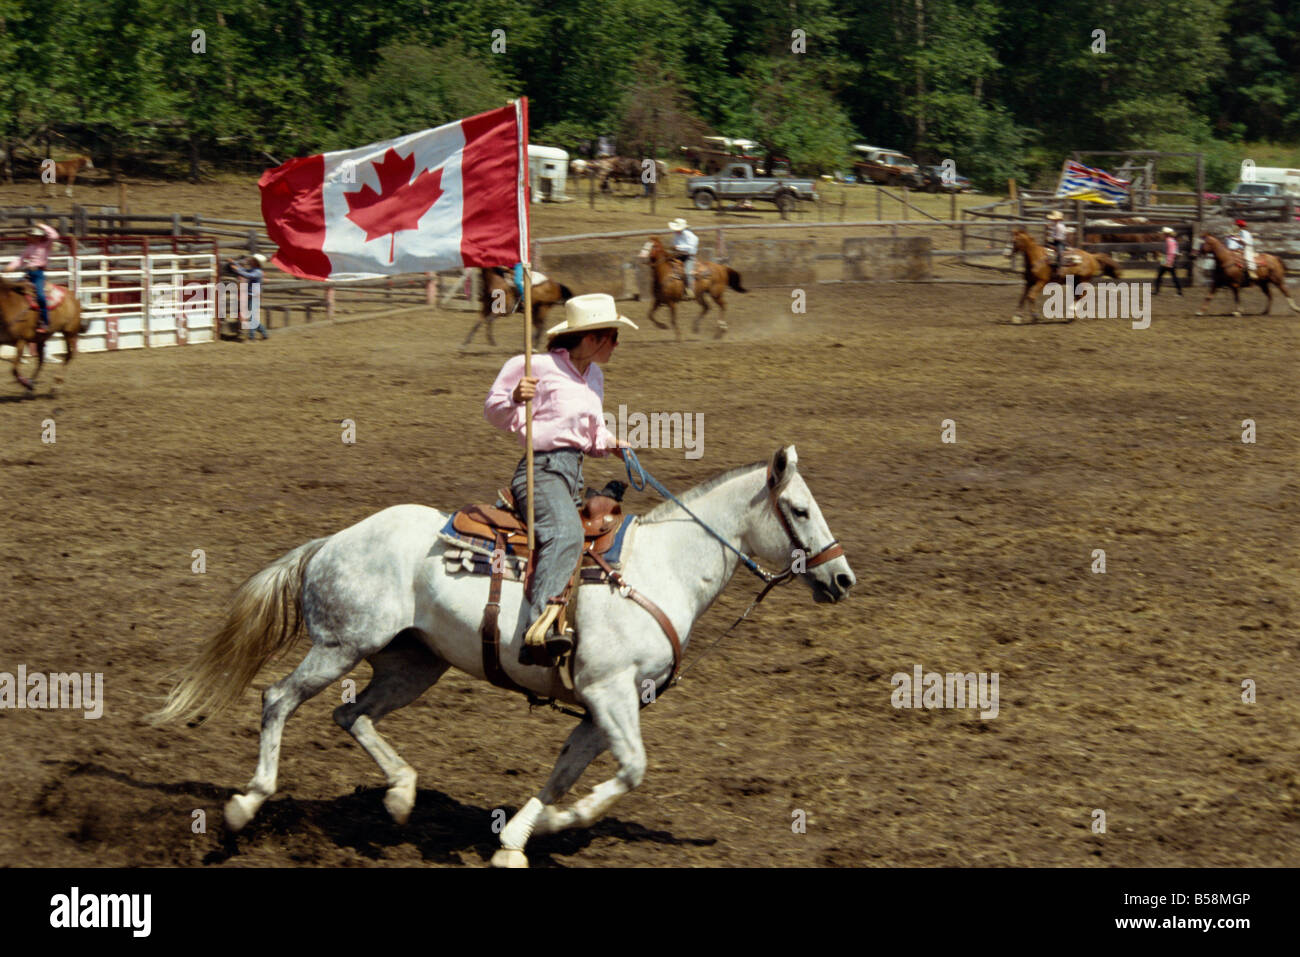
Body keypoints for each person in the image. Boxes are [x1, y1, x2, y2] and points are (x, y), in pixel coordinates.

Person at [484, 293, 637, 659]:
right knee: (566, 533)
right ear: (591, 338)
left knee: (592, 542)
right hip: (541, 471)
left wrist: (612, 444)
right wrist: (515, 399)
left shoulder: (594, 376)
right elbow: (493, 411)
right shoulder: (533, 364)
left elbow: (591, 433)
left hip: (573, 473)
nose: (617, 345)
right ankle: (534, 631)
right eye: (613, 337)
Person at [5, 223, 59, 334]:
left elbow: (54, 236)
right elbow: (20, 260)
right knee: (11, 291)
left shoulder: (45, 245)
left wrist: (42, 226)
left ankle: (45, 322)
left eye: (33, 236)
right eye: (31, 236)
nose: (31, 237)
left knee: (40, 296)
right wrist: (11, 266)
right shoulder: (29, 248)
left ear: (39, 237)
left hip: (38, 274)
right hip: (29, 273)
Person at [229, 254, 268, 340]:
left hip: (254, 296)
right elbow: (244, 270)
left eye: (253, 260)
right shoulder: (255, 270)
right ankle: (263, 333)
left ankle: (253, 336)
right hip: (252, 295)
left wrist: (237, 270)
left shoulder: (257, 272)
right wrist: (235, 263)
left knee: (250, 317)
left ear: (256, 262)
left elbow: (247, 275)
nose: (251, 261)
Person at [669, 218, 698, 294]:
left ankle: (691, 290)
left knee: (688, 272)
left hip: (688, 256)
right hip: (678, 255)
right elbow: (674, 243)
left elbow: (691, 247)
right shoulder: (676, 234)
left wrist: (678, 247)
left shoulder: (689, 235)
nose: (675, 230)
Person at [1153, 227, 1183, 296]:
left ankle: (1157, 291)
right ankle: (1157, 291)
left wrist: (1169, 262)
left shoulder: (1169, 241)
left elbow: (1171, 252)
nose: (1161, 235)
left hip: (1168, 261)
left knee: (1163, 276)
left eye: (1163, 234)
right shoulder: (1170, 240)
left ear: (1166, 234)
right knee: (1161, 275)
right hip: (1166, 260)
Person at [1045, 211, 1068, 279]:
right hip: (1056, 241)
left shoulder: (1059, 226)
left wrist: (1050, 238)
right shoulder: (1055, 225)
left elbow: (1058, 237)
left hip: (1059, 242)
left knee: (1059, 253)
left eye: (1053, 219)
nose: (1052, 220)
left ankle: (1059, 269)